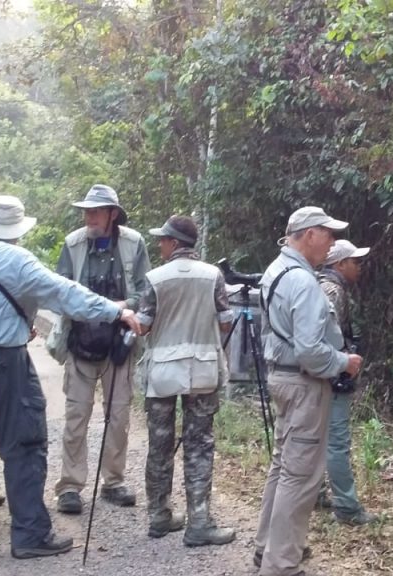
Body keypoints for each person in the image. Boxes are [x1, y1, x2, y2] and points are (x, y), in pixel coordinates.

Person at [0, 195, 141, 559]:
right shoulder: (17, 259)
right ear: (17, 229)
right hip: (1, 364)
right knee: (25, 443)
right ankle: (30, 533)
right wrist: (114, 310)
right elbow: (62, 293)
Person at [253, 206, 364, 576]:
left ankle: (267, 547)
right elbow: (311, 351)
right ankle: (281, 563)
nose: (332, 242)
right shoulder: (302, 281)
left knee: (283, 465)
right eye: (328, 234)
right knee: (300, 476)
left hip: (282, 379)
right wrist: (343, 361)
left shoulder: (276, 270)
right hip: (304, 385)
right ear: (310, 234)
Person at [45, 184, 151, 515]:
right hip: (80, 342)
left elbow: (146, 293)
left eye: (95, 211)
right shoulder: (73, 244)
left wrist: (119, 308)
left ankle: (113, 482)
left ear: (112, 214)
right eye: (86, 211)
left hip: (120, 344)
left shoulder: (134, 244)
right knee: (76, 416)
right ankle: (70, 486)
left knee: (118, 417)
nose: (88, 217)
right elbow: (61, 292)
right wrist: (101, 309)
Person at [135, 215, 237, 546]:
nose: (160, 245)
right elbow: (226, 322)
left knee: (160, 445)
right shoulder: (213, 276)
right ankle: (200, 522)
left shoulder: (155, 278)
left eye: (163, 240)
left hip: (162, 373)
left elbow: (143, 326)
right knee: (200, 445)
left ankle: (159, 516)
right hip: (202, 370)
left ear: (175, 243)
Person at [316, 239, 376, 526]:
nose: (359, 267)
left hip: (319, 375)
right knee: (337, 442)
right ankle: (347, 507)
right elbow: (327, 337)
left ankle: (315, 494)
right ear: (340, 264)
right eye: (355, 262)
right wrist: (343, 365)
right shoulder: (333, 290)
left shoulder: (320, 286)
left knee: (316, 439)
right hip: (332, 376)